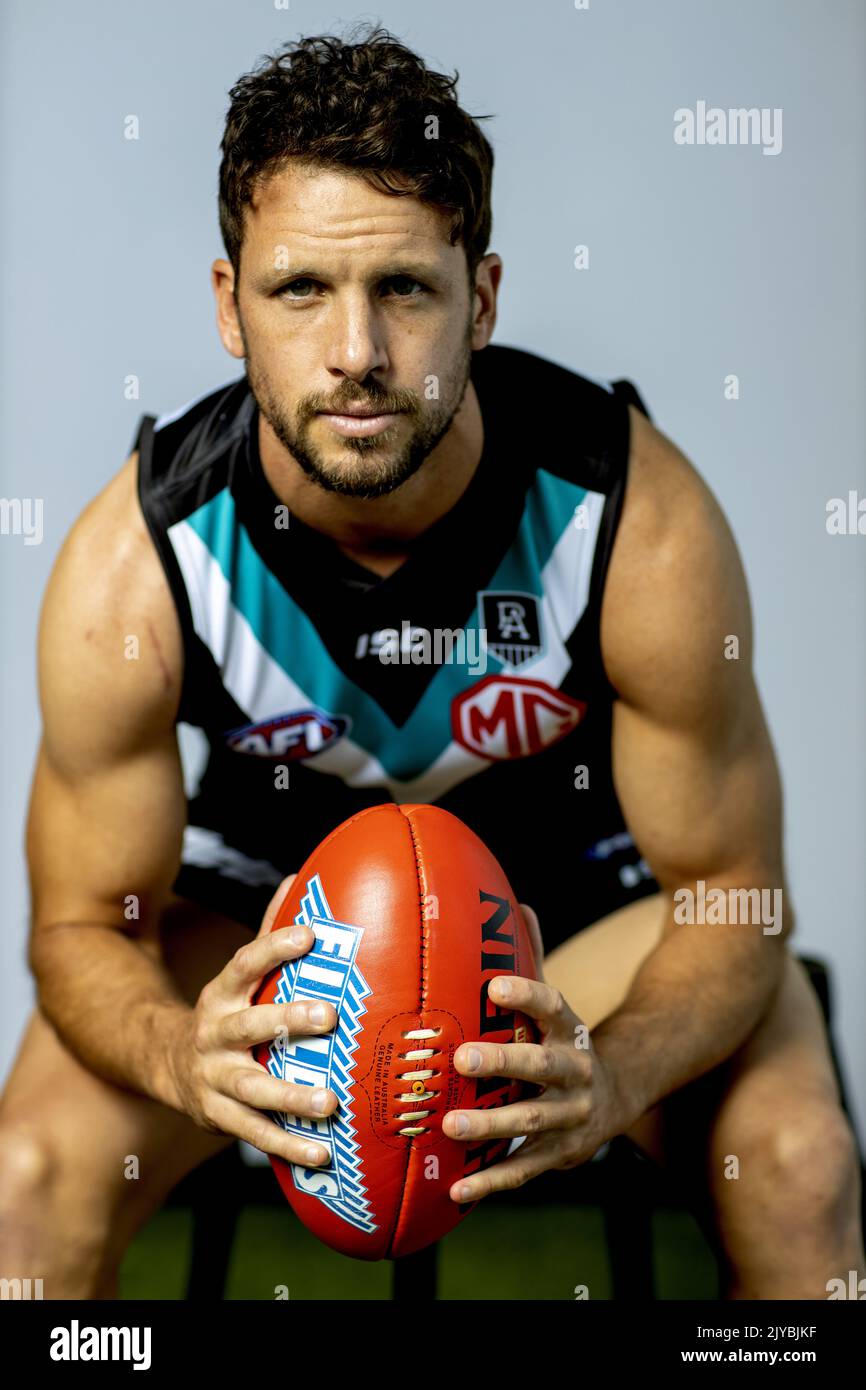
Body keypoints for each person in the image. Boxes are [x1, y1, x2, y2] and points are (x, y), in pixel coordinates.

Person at [0, 25, 862, 1300]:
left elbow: (734, 889)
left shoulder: (634, 522)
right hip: (268, 946)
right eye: (300, 291)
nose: (356, 351)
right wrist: (186, 1056)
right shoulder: (139, 564)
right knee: (28, 1179)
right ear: (230, 305)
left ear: (484, 296)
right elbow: (79, 921)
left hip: (566, 928)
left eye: (404, 287)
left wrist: (615, 1067)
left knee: (795, 1164)